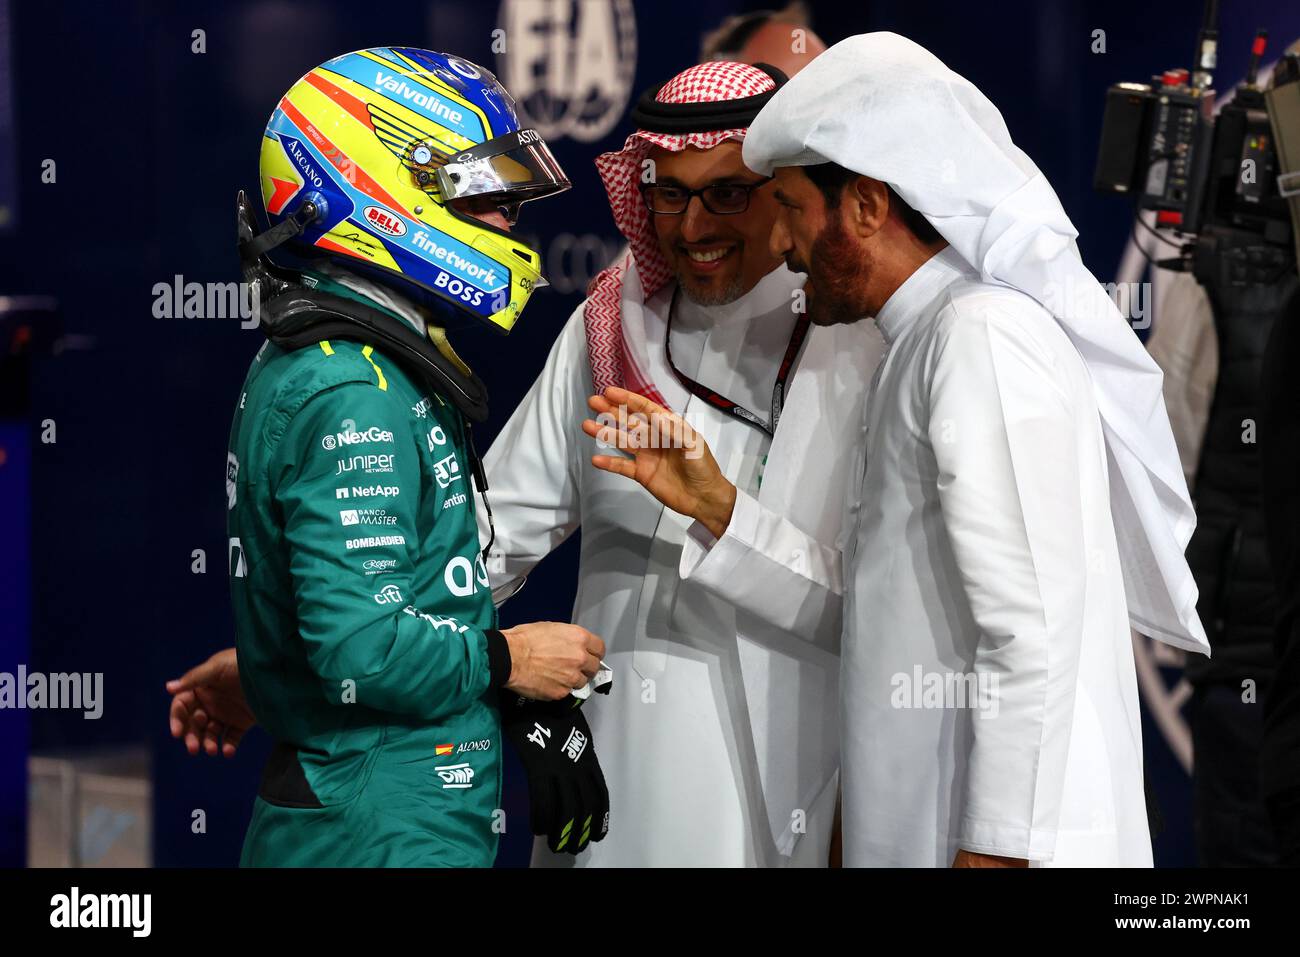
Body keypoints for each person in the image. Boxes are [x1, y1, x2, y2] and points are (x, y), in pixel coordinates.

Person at [169, 58, 885, 867]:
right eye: (668, 194)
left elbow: (891, 617)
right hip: (615, 775)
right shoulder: (615, 324)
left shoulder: (857, 344)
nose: (692, 228)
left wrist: (723, 513)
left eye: (728, 193)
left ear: (782, 198)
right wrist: (291, 660)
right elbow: (480, 543)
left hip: (793, 775)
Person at [590, 33, 1211, 867]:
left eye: (794, 211)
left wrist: (991, 854)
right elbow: (883, 616)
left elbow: (1030, 634)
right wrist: (719, 508)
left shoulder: (981, 338)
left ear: (869, 207)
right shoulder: (921, 342)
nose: (781, 246)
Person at [212, 46, 609, 866]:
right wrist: (511, 660)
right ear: (377, 191)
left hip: (381, 805)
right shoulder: (352, 388)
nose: (507, 219)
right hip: (377, 822)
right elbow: (360, 647)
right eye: (481, 191)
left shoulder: (349, 357)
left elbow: (376, 610)